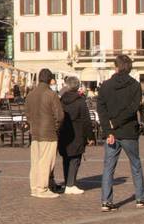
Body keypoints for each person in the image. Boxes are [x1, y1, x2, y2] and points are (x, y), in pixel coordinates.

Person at [97, 54, 144, 211]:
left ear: (116, 67)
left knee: (108, 167)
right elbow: (133, 109)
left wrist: (109, 129)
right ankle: (140, 198)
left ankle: (106, 201)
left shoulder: (105, 85)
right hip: (128, 131)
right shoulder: (135, 85)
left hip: (112, 133)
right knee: (135, 165)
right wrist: (117, 123)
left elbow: (101, 109)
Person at [24, 69, 64, 198]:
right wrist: (56, 127)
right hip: (48, 132)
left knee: (35, 161)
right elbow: (60, 115)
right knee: (46, 162)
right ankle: (42, 188)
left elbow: (27, 115)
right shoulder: (51, 94)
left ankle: (35, 187)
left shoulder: (30, 94)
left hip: (35, 132)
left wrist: (33, 125)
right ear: (50, 79)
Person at [57, 75, 93, 194]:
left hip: (63, 133)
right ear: (77, 87)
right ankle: (70, 184)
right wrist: (90, 136)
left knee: (66, 158)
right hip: (77, 133)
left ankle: (68, 181)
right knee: (75, 159)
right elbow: (86, 120)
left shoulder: (61, 100)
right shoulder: (80, 101)